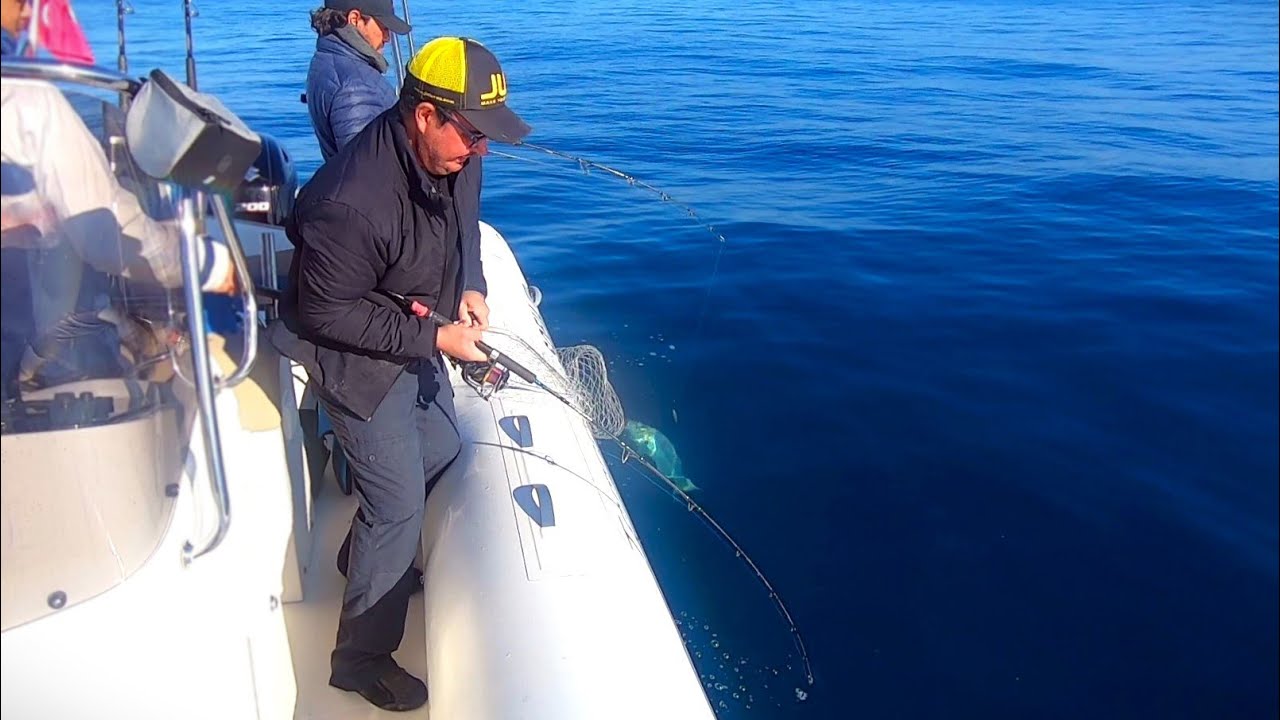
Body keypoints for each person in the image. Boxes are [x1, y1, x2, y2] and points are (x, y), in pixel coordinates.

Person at [269, 36, 530, 711]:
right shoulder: (347, 202)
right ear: (423, 115)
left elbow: (463, 219)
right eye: (473, 135)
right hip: (349, 356)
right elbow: (325, 314)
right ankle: (359, 660)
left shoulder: (457, 153)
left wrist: (468, 282)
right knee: (397, 504)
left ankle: (357, 560)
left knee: (442, 451)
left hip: (410, 333)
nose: (482, 150)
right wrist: (435, 334)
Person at [305, 0, 410, 162]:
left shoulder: (325, 59)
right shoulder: (355, 88)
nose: (387, 37)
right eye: (383, 27)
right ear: (355, 20)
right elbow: (366, 170)